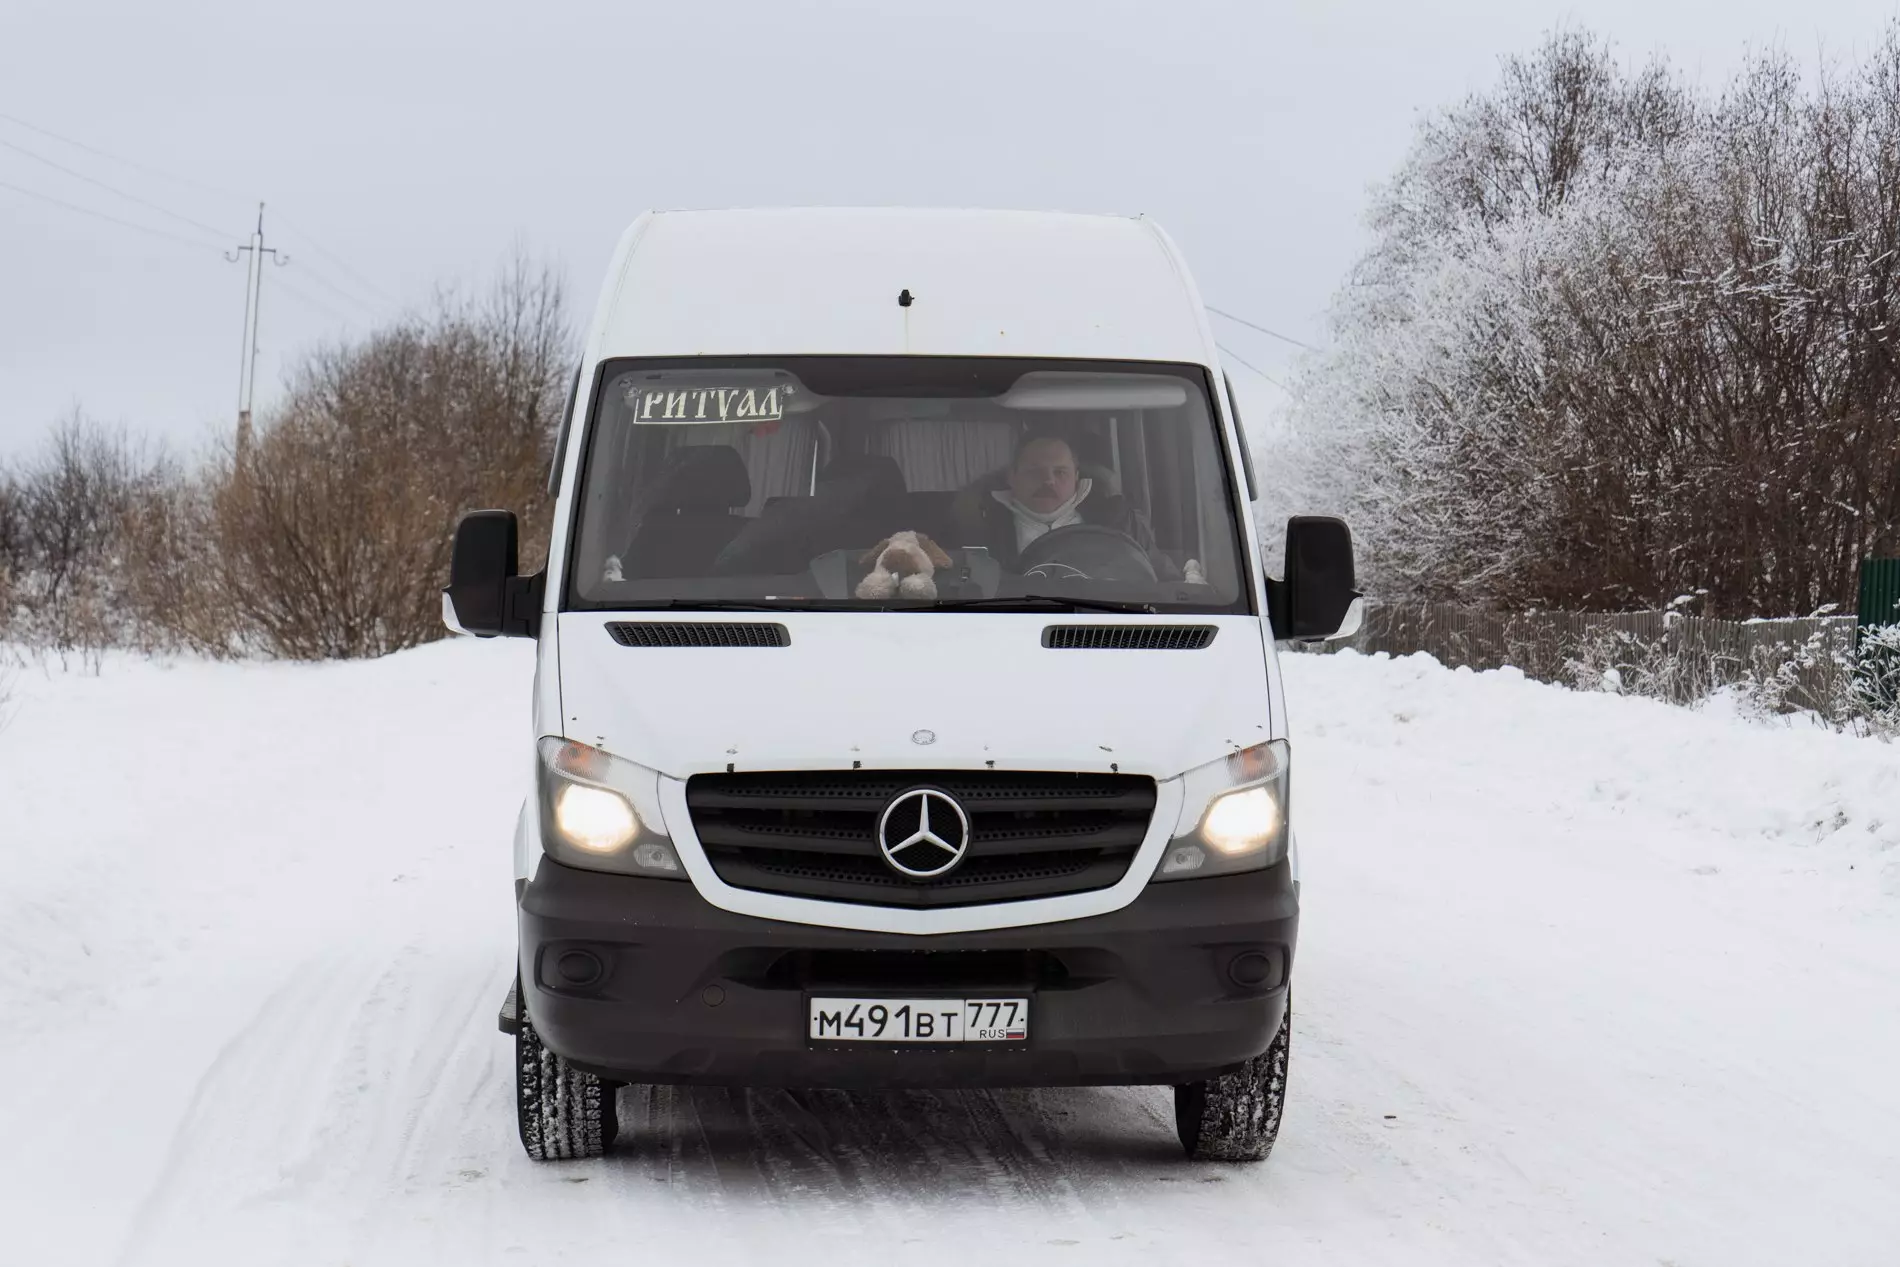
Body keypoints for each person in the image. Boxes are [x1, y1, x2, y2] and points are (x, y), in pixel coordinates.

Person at [949, 433, 1156, 568]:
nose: (1048, 480)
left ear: (1076, 477)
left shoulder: (1122, 521)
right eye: (1034, 472)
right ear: (1011, 477)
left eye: (1060, 472)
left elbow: (1162, 579)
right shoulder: (974, 526)